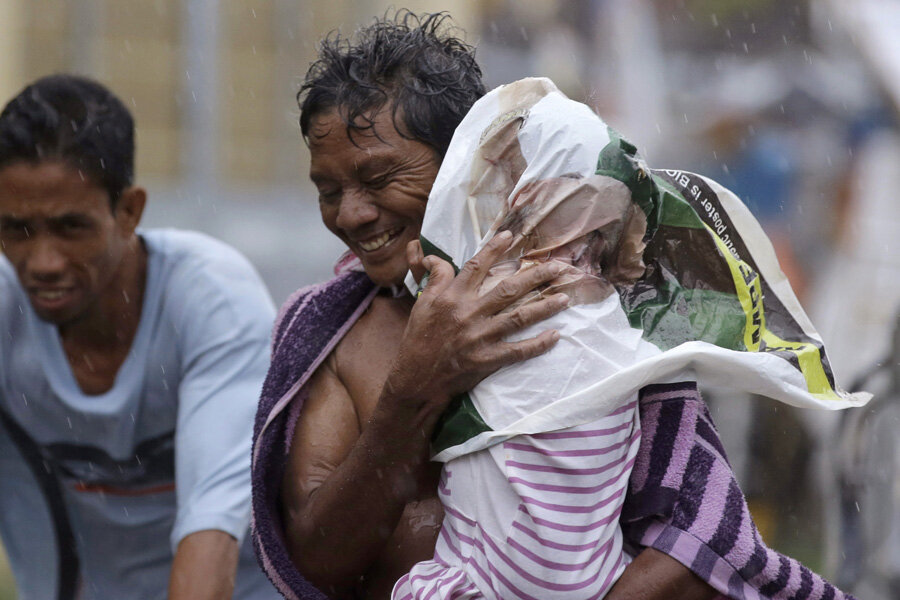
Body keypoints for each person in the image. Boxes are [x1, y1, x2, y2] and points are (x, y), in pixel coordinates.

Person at [251, 12, 856, 600]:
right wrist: (417, 386)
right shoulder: (335, 337)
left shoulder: (594, 310)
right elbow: (318, 564)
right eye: (328, 191)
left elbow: (700, 541)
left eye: (379, 180)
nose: (351, 214)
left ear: (472, 164)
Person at [0, 75, 279, 599]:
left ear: (129, 211)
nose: (43, 263)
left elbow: (210, 534)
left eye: (70, 227)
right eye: (17, 230)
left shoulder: (212, 300)